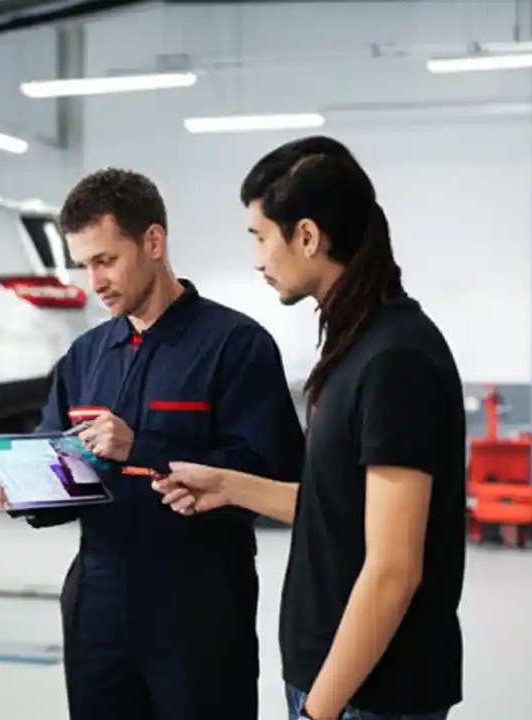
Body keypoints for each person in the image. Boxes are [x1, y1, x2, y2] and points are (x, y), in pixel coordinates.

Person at [151, 136, 467, 720]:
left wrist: (318, 711)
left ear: (307, 236)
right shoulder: (354, 347)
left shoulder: (395, 360)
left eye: (260, 236)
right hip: (332, 683)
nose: (256, 259)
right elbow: (340, 507)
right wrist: (228, 487)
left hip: (369, 696)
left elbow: (394, 569)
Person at [0, 168, 306, 720]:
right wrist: (17, 490)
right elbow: (57, 470)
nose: (93, 282)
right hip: (99, 599)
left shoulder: (235, 347)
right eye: (84, 266)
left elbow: (273, 476)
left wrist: (145, 447)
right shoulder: (85, 357)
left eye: (105, 261)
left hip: (197, 604)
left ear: (153, 241)